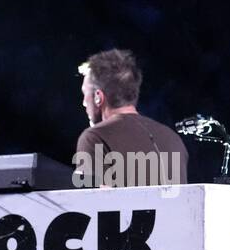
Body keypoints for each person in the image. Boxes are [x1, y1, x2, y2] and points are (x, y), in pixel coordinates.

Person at [75, 48, 189, 188]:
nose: (84, 102)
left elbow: (86, 204)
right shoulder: (173, 139)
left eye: (85, 93)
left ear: (98, 97)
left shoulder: (94, 138)